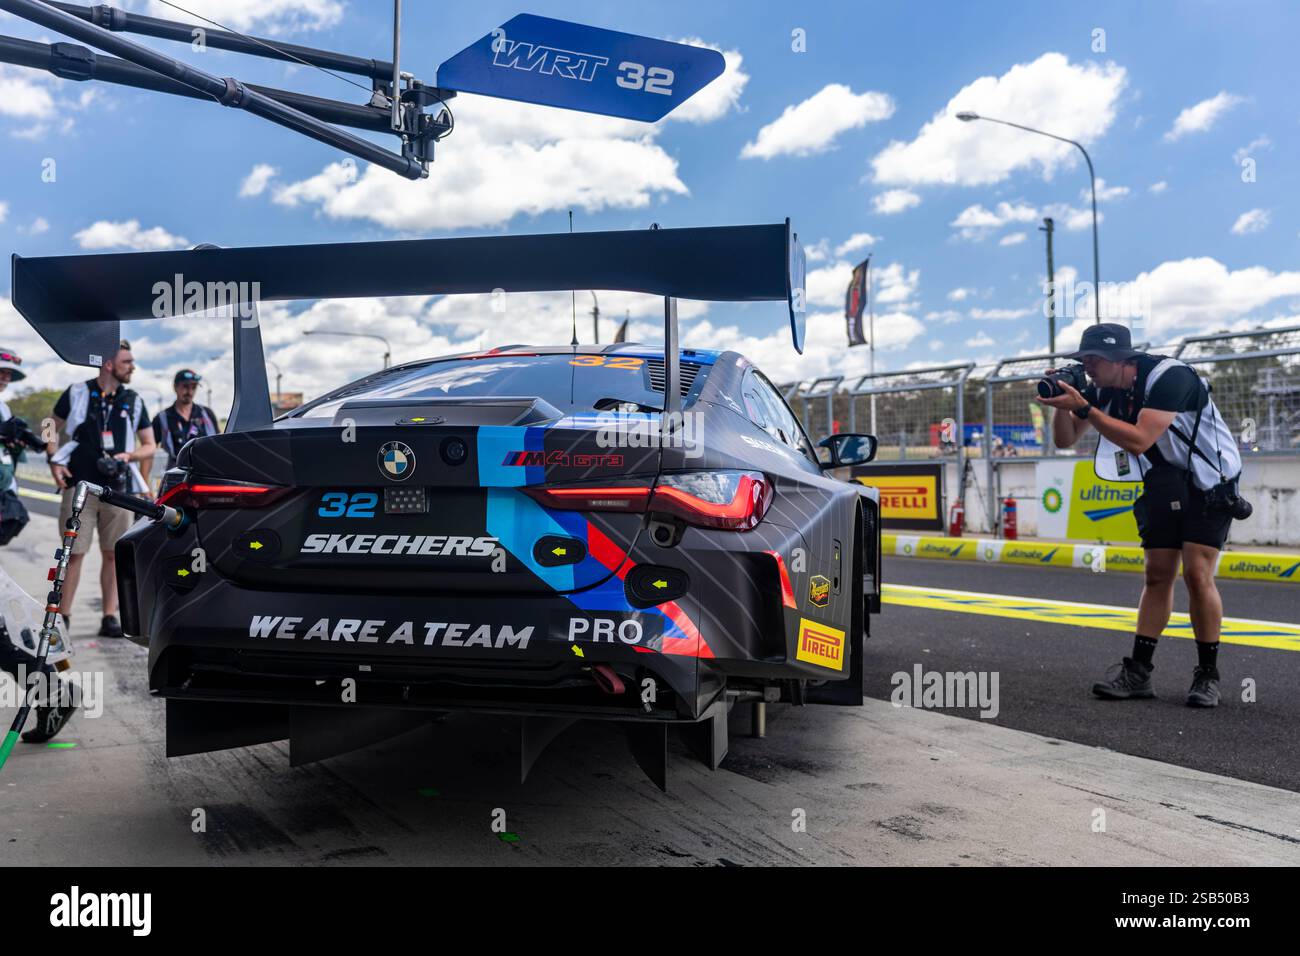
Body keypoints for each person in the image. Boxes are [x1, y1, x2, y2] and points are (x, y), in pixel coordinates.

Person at [1040, 323, 1245, 708]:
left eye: (1093, 360)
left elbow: (1139, 439)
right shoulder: (1104, 390)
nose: (1086, 368)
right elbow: (1066, 439)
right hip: (1166, 481)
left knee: (1197, 574)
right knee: (1157, 574)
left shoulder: (1171, 377)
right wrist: (1059, 406)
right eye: (1082, 360)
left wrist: (1084, 406)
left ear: (1121, 360)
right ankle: (1138, 674)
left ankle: (1207, 676)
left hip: (1211, 482)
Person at [45, 341, 156, 638]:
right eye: (127, 361)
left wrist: (129, 456)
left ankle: (109, 617)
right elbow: (48, 423)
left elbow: (150, 445)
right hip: (78, 488)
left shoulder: (133, 400)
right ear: (109, 364)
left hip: (118, 491)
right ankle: (62, 618)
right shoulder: (77, 391)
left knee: (113, 555)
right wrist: (53, 459)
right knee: (73, 553)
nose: (132, 366)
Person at [144, 368, 220, 488]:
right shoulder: (162, 418)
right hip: (175, 481)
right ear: (175, 387)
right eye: (185, 386)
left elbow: (218, 446)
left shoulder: (207, 414)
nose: (189, 391)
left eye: (193, 387)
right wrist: (145, 484)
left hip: (206, 479)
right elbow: (148, 448)